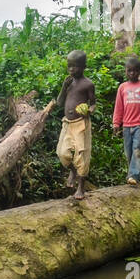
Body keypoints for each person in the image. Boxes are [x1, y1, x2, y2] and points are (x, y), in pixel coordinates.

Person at [111, 54, 140, 184]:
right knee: (129, 153)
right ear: (125, 71)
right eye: (129, 70)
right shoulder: (122, 87)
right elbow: (118, 107)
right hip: (126, 125)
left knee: (137, 149)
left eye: (135, 70)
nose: (132, 73)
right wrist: (116, 123)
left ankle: (132, 176)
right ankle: (138, 176)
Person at [56, 49, 96, 199]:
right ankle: (72, 171)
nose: (72, 69)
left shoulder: (88, 84)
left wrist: (89, 111)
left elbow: (93, 104)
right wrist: (63, 88)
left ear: (84, 66)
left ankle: (81, 188)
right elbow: (60, 103)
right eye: (69, 66)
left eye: (75, 66)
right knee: (62, 153)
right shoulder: (68, 83)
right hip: (67, 123)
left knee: (82, 155)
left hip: (81, 123)